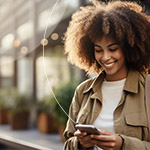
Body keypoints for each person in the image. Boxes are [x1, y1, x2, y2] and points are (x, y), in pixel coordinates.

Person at [63, 0, 150, 149]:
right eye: (98, 50)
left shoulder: (147, 88)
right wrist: (80, 144)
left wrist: (123, 144)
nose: (105, 57)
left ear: (129, 47)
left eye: (113, 49)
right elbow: (67, 144)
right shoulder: (83, 92)